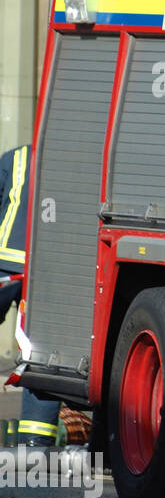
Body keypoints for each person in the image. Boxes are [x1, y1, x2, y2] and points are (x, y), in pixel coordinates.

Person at [0, 143, 61, 447]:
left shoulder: (17, 156)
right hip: (46, 271)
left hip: (6, 263)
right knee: (41, 352)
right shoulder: (77, 156)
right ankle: (36, 440)